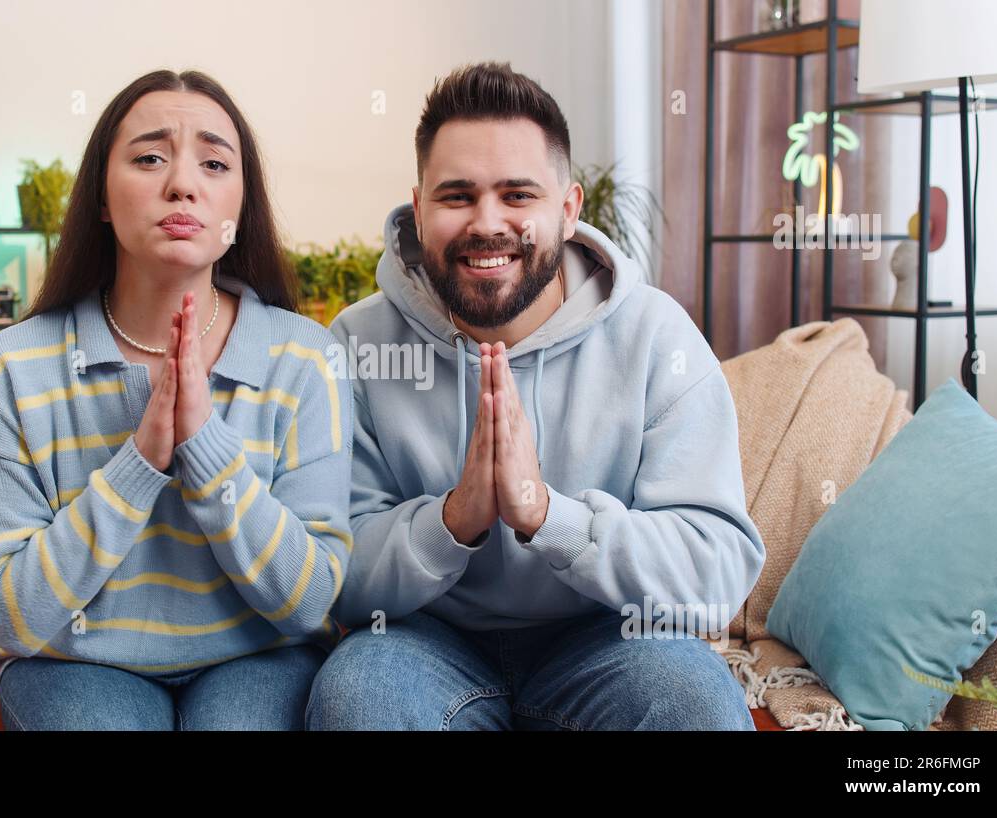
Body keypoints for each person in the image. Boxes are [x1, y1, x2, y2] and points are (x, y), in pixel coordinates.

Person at [307, 62, 764, 730]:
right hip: (423, 639)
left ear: (569, 208)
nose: (487, 222)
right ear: (418, 204)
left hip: (609, 634)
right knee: (359, 696)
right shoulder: (357, 342)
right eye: (457, 196)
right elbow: (333, 567)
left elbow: (716, 575)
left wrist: (550, 516)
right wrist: (454, 520)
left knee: (691, 701)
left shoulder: (654, 336)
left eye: (517, 194)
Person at [0, 69, 353, 730]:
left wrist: (206, 450)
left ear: (240, 205)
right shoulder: (9, 369)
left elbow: (311, 601)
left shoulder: (308, 359)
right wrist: (140, 462)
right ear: (102, 200)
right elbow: (13, 614)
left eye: (213, 162)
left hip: (256, 654)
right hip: (70, 660)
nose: (182, 183)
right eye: (148, 157)